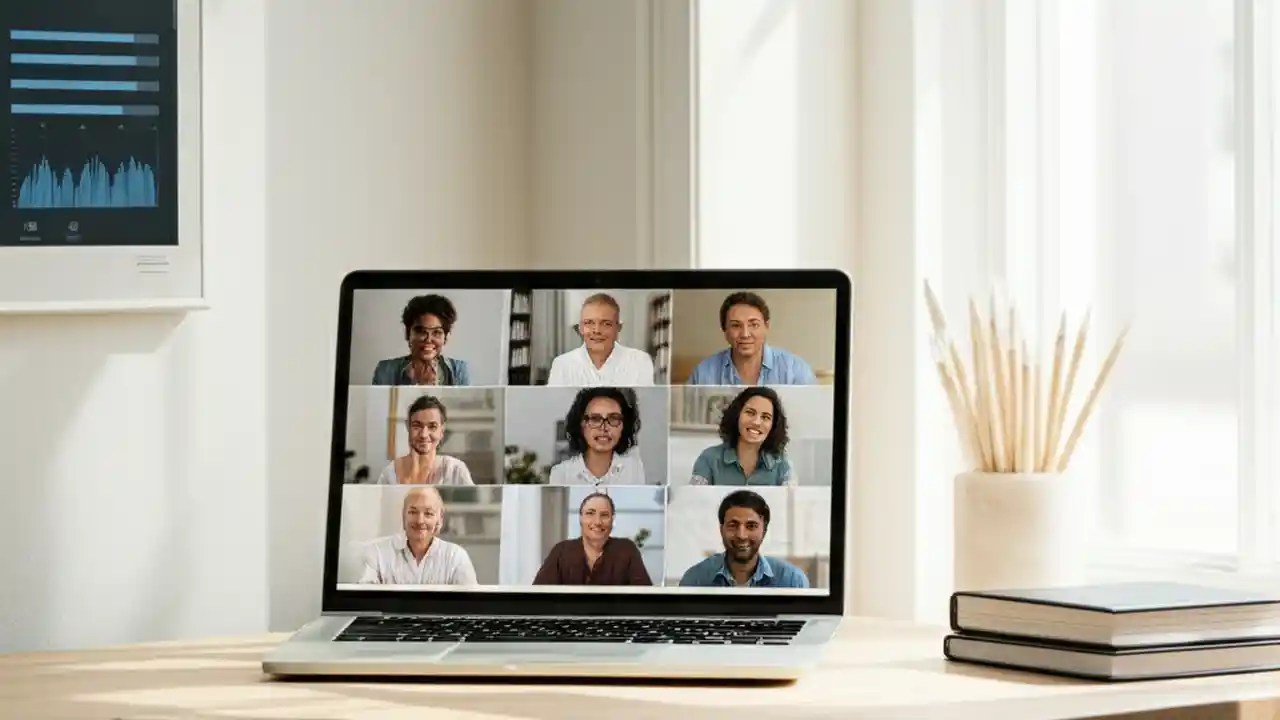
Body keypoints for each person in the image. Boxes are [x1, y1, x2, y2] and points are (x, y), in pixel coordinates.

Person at [678, 490, 809, 588]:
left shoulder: (792, 581)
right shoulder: (695, 580)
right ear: (721, 529)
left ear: (764, 530)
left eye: (751, 526)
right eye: (733, 525)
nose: (741, 535)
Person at [687, 291, 817, 385]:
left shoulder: (796, 371)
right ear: (725, 330)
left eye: (754, 325)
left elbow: (813, 413)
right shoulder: (703, 373)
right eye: (736, 325)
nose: (745, 334)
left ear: (766, 326)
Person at [357, 486, 478, 585]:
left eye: (428, 513)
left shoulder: (456, 557)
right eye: (413, 512)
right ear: (403, 516)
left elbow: (471, 603)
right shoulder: (377, 553)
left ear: (439, 519)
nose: (420, 521)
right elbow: (364, 601)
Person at [533, 492, 652, 585]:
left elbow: (645, 598)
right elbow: (538, 595)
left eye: (604, 515)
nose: (597, 522)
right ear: (580, 518)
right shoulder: (561, 551)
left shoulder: (626, 550)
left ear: (612, 520)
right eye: (590, 513)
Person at [690, 386, 795, 486]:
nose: (756, 422)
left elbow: (793, 498)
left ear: (774, 425)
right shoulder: (708, 458)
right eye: (750, 413)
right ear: (737, 415)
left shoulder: (782, 464)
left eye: (765, 417)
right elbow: (694, 497)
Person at [547, 293, 655, 386]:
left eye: (606, 324)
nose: (597, 330)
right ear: (580, 328)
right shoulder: (562, 365)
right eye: (589, 323)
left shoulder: (639, 362)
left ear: (618, 328)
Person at [548, 387, 647, 486]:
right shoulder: (560, 474)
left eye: (613, 418)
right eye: (595, 419)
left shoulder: (634, 469)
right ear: (581, 424)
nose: (604, 428)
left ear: (624, 426)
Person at [372, 294, 471, 386]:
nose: (428, 339)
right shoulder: (385, 371)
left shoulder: (459, 370)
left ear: (445, 338)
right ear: (407, 334)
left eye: (436, 332)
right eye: (421, 331)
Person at [376, 394, 475, 485]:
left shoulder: (455, 471)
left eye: (432, 426)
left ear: (442, 430)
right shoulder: (389, 473)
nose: (424, 435)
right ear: (408, 426)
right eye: (417, 426)